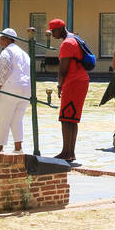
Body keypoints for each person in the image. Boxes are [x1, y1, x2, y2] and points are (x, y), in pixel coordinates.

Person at [48, 17, 89, 164]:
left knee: (66, 118)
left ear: (60, 29)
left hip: (73, 82)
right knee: (72, 118)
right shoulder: (74, 38)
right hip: (81, 80)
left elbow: (63, 69)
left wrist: (59, 86)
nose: (52, 34)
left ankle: (66, 152)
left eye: (53, 31)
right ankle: (70, 152)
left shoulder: (67, 44)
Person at [0, 26, 32, 152]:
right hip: (25, 89)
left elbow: (3, 71)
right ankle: (18, 148)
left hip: (10, 88)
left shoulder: (6, 52)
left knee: (3, 119)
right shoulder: (24, 54)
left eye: (2, 38)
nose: (0, 40)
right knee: (17, 119)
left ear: (7, 39)